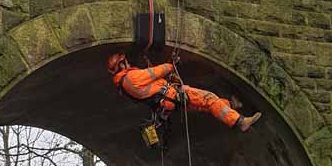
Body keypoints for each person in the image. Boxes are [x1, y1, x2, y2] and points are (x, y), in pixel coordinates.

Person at [107, 53, 262, 131]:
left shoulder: (124, 86)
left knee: (206, 105)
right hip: (173, 96)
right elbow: (156, 72)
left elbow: (151, 83)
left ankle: (230, 106)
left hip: (169, 103)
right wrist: (170, 64)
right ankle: (240, 122)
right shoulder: (131, 77)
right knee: (209, 98)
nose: (128, 62)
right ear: (121, 65)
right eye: (125, 61)